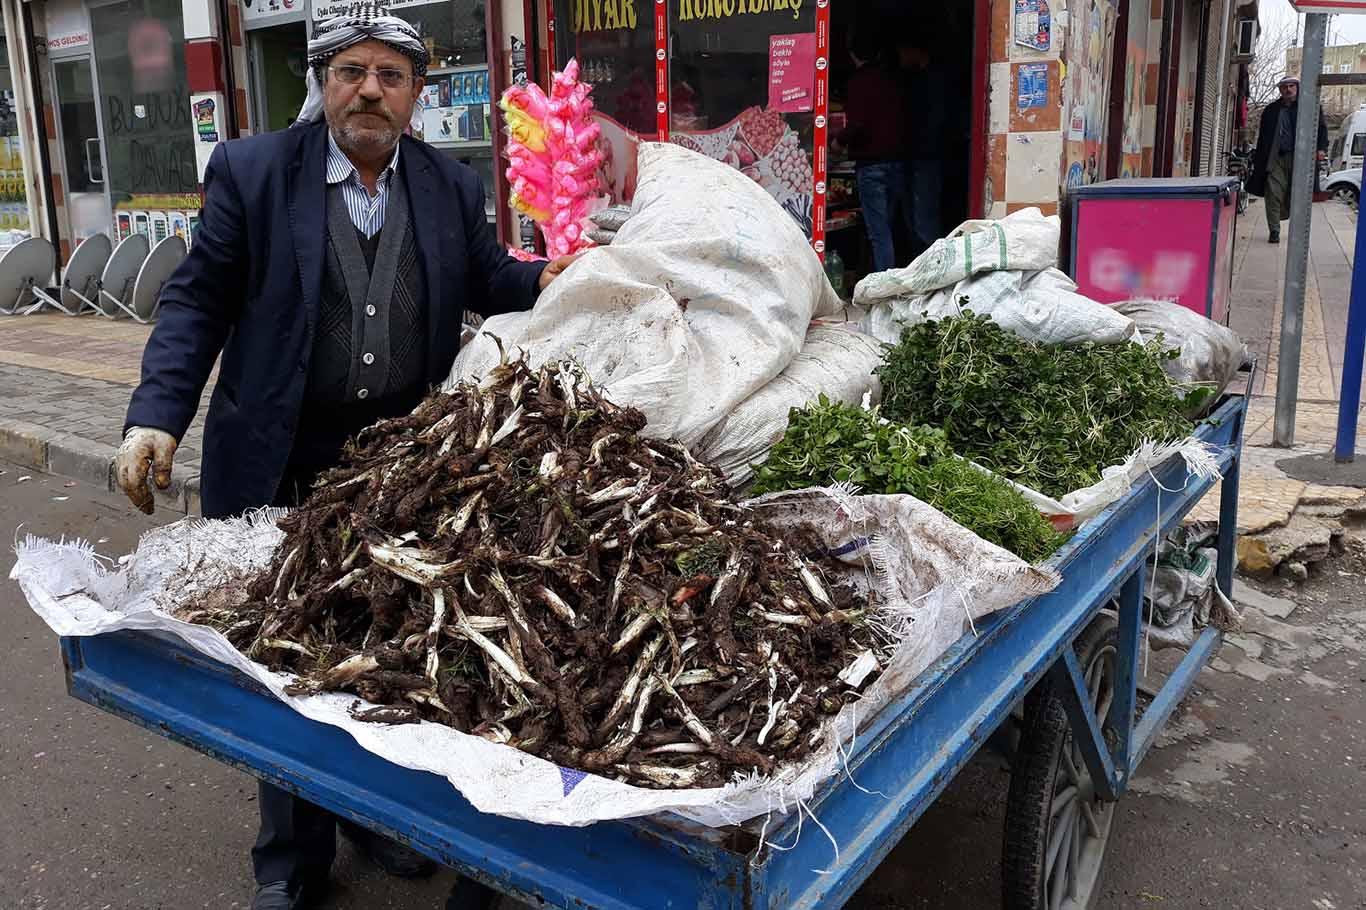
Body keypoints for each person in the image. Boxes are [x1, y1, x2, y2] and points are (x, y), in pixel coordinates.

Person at [111, 6, 579, 909]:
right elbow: (197, 303)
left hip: (396, 471)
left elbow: (487, 277)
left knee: (387, 656)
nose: (371, 90)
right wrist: (155, 416)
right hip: (279, 460)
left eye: (392, 76)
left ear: (416, 94)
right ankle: (291, 862)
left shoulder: (445, 183)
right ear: (323, 81)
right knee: (282, 665)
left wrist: (546, 278)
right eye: (353, 72)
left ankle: (377, 816)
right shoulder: (254, 172)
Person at [835, 32, 910, 273]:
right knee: (891, 226)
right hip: (897, 162)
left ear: (852, 54)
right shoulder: (892, 79)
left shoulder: (859, 82)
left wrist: (838, 142)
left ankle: (882, 286)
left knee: (879, 232)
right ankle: (894, 278)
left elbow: (857, 123)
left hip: (872, 166)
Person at [1248, 76, 1328, 244]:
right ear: (1280, 90)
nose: (1288, 89)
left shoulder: (1309, 108)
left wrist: (1321, 149)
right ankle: (1274, 231)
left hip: (1300, 159)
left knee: (1297, 194)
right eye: (1284, 86)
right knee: (1273, 193)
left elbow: (1321, 129)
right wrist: (1259, 160)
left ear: (1297, 88)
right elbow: (1263, 138)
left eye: (1292, 86)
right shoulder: (1271, 110)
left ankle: (1296, 230)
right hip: (1275, 158)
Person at [897, 40, 948, 255]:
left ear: (915, 51)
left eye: (902, 53)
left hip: (926, 157)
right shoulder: (919, 80)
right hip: (919, 157)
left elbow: (935, 121)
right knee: (916, 220)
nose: (900, 60)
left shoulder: (933, 82)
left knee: (923, 221)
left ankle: (933, 268)